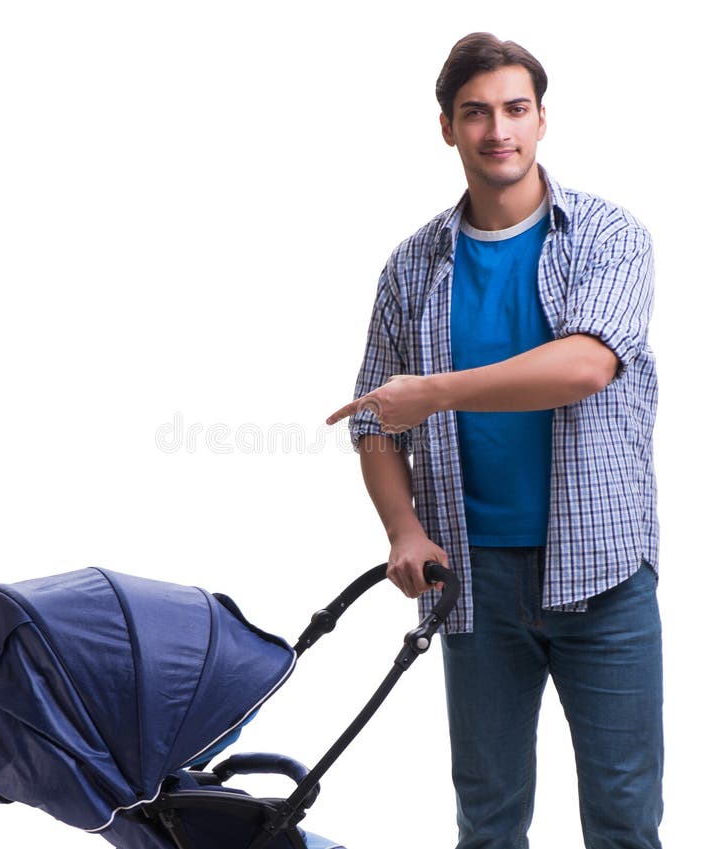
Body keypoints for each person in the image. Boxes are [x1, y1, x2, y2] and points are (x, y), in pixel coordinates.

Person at [326, 32, 663, 849]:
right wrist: (403, 528)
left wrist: (433, 393)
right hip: (472, 580)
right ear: (447, 128)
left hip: (604, 575)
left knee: (623, 818)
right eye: (475, 113)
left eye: (515, 109)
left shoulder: (608, 236)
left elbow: (586, 365)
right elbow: (374, 416)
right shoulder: (412, 266)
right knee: (487, 820)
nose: (497, 130)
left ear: (543, 120)